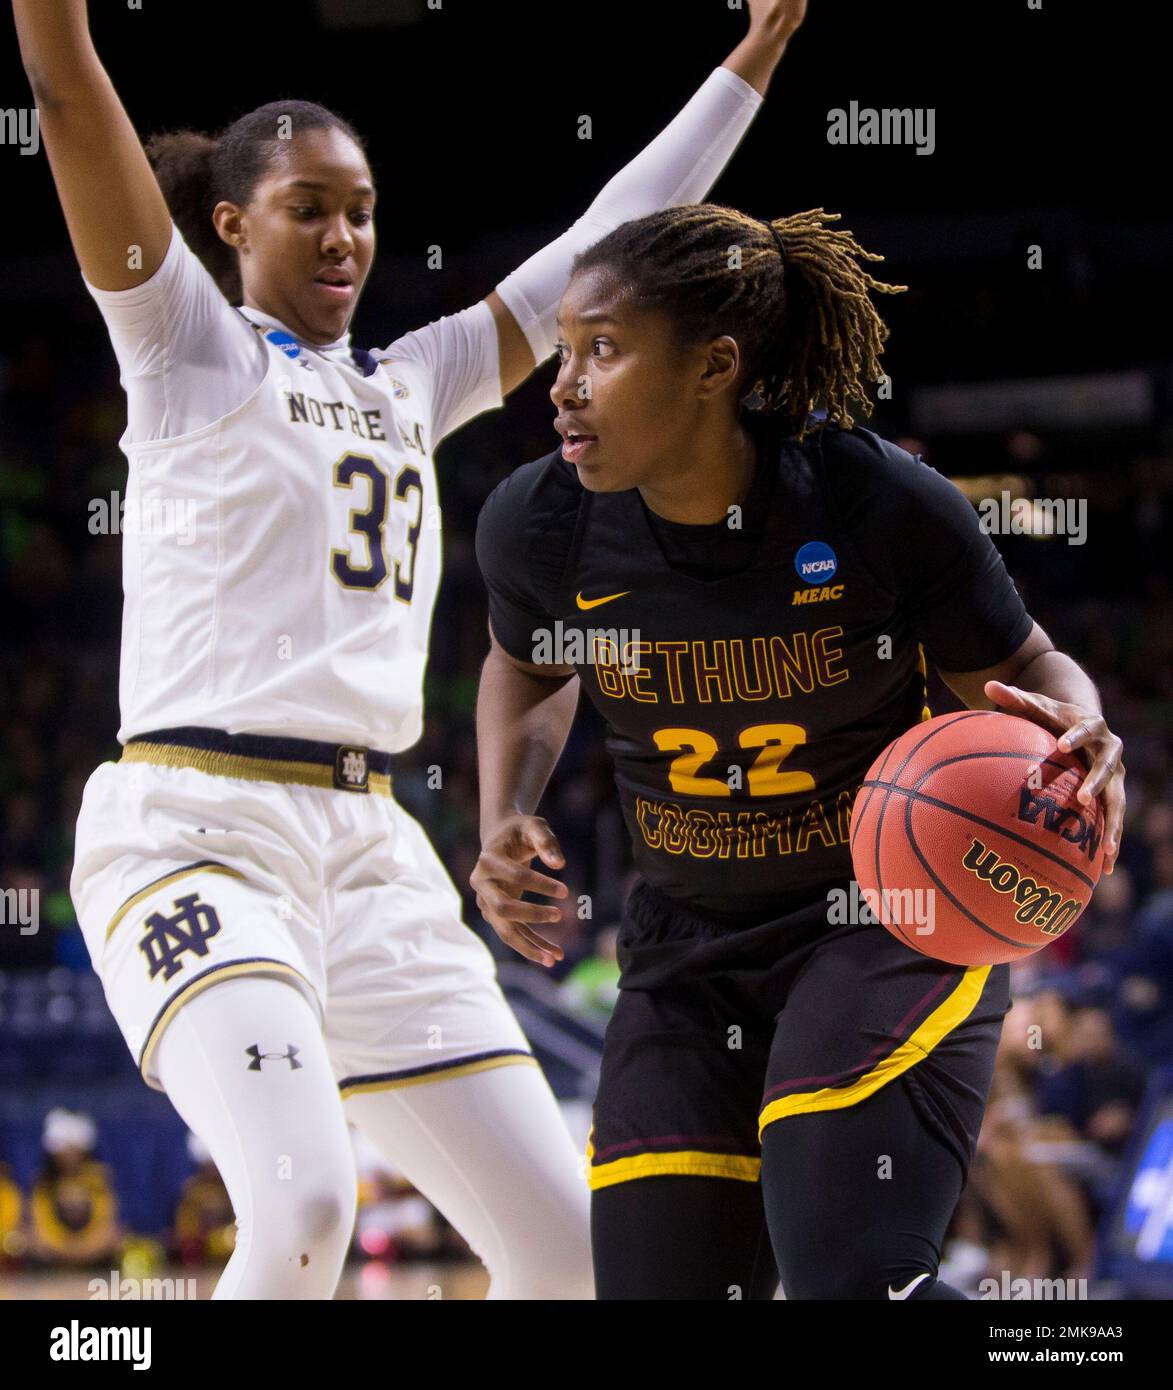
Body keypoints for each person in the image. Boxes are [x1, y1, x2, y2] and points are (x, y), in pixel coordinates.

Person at [14, 0, 810, 1299]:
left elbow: (609, 235)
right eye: (309, 206)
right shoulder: (187, 352)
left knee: (573, 1256)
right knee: (305, 1202)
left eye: (363, 208)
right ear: (230, 223)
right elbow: (62, 100)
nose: (343, 235)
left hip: (374, 857)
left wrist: (753, 58)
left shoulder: (409, 381)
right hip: (195, 833)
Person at [471, 202, 1128, 1299]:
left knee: (846, 1277)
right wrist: (503, 811)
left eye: (602, 349)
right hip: (685, 948)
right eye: (562, 350)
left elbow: (1030, 668)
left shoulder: (869, 500)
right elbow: (530, 665)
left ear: (713, 366)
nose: (563, 386)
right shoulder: (538, 525)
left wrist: (1084, 722)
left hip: (884, 918)